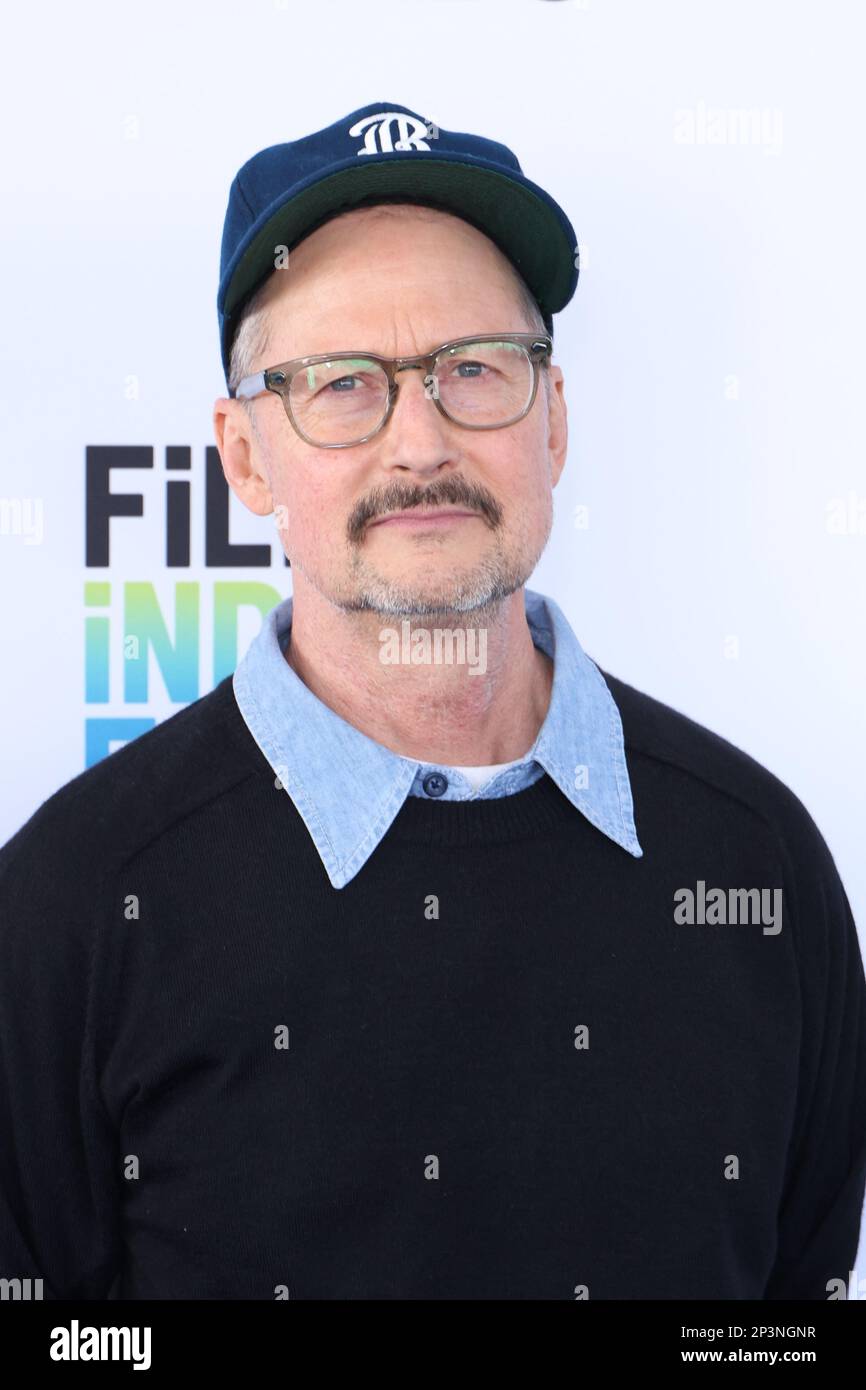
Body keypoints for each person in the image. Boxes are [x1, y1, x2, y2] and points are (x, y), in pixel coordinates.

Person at [1, 101, 864, 1301]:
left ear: (551, 419)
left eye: (472, 369)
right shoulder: (72, 906)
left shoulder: (755, 865)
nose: (419, 440)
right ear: (245, 457)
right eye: (342, 383)